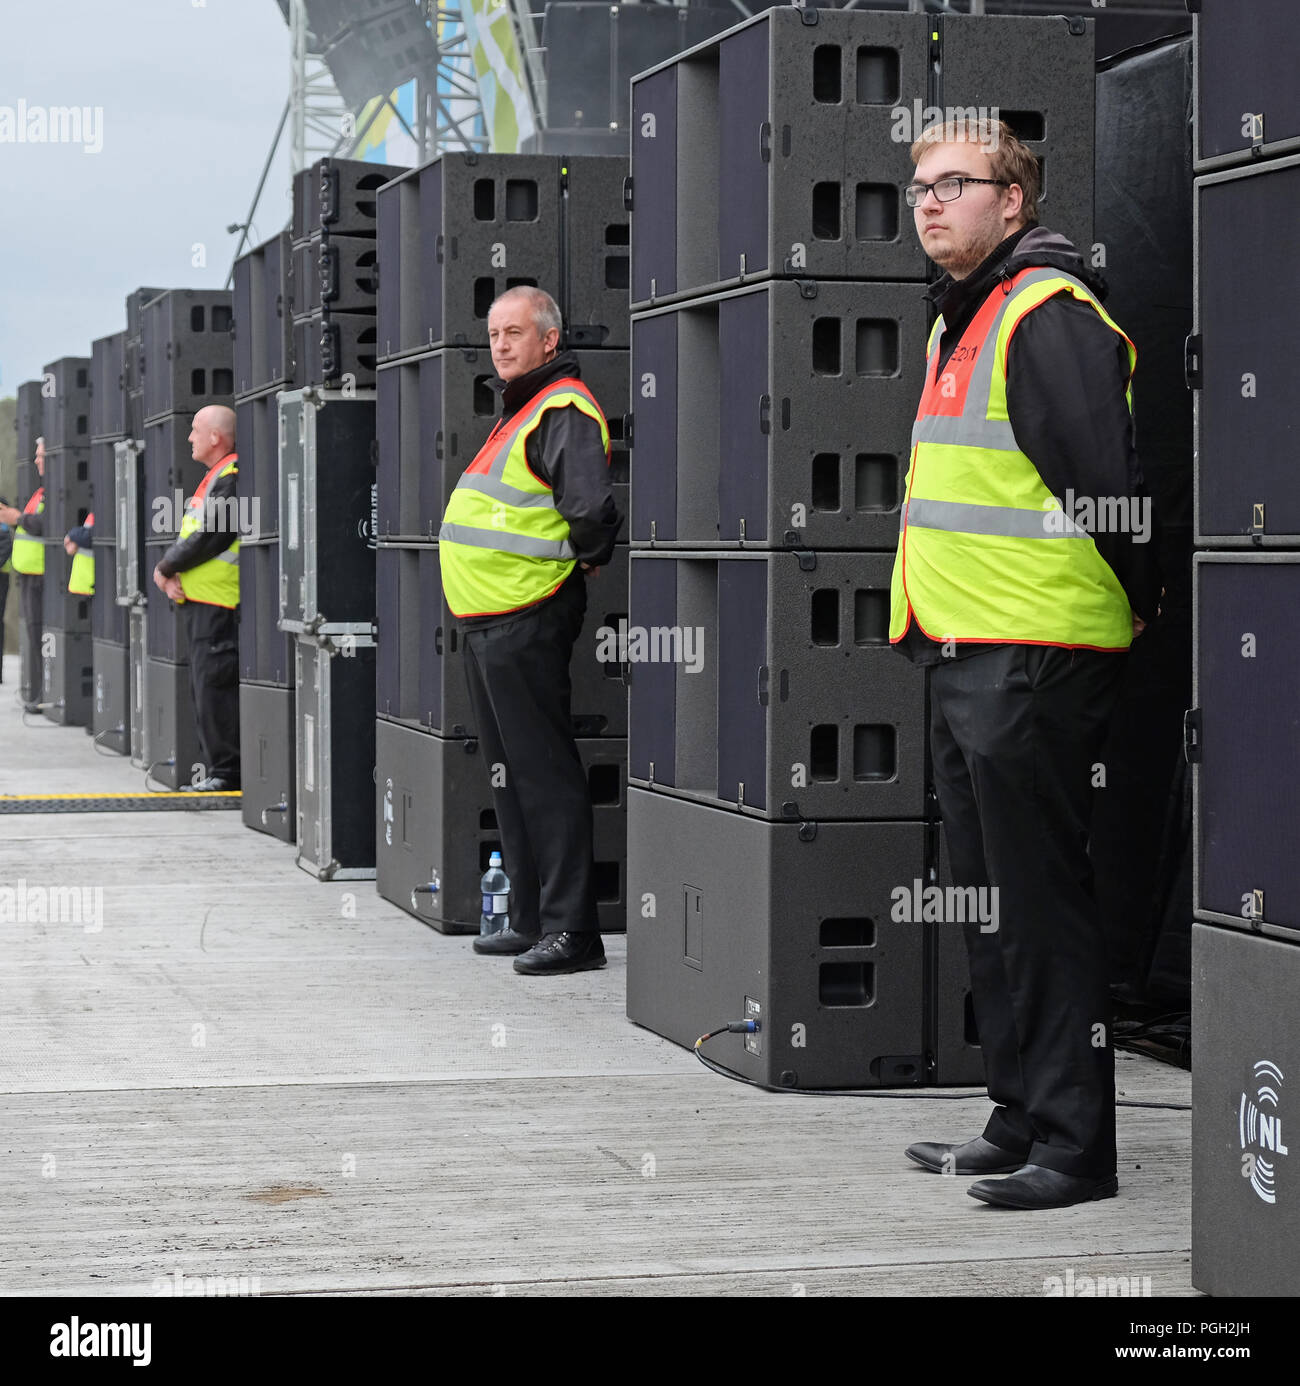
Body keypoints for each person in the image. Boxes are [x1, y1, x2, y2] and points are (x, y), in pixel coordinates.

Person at [889, 119, 1159, 1210]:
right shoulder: (962, 317)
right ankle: (1016, 1114)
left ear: (1015, 201)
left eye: (955, 183)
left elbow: (1112, 486)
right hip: (965, 648)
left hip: (1033, 653)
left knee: (1038, 902)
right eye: (917, 187)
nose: (929, 202)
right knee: (986, 899)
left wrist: (1137, 607)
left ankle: (1074, 1146)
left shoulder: (1044, 314)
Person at [439, 286, 621, 975]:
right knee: (510, 775)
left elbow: (591, 508)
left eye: (516, 332)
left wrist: (586, 559)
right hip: (491, 621)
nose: (502, 345)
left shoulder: (560, 408)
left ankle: (573, 931)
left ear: (550, 340)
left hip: (525, 618)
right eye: (494, 334)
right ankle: (529, 917)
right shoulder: (520, 412)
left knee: (543, 774)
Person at [152, 405, 241, 792]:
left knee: (215, 690)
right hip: (202, 602)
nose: (189, 437)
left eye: (194, 430)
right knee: (205, 689)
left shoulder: (231, 476)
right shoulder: (214, 478)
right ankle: (219, 769)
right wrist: (172, 575)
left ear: (215, 437)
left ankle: (227, 774)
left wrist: (166, 568)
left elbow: (211, 534)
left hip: (219, 605)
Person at [0, 438, 48, 711]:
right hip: (30, 576)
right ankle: (39, 690)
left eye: (40, 455)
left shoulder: (54, 490)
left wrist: (17, 519)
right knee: (34, 634)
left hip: (44, 578)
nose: (36, 460)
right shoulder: (40, 493)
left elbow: (48, 524)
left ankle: (44, 692)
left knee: (42, 635)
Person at [65, 513, 95, 597]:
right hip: (85, 584)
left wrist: (71, 536)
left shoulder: (102, 509)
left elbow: (88, 536)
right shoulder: (96, 511)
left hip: (92, 585)